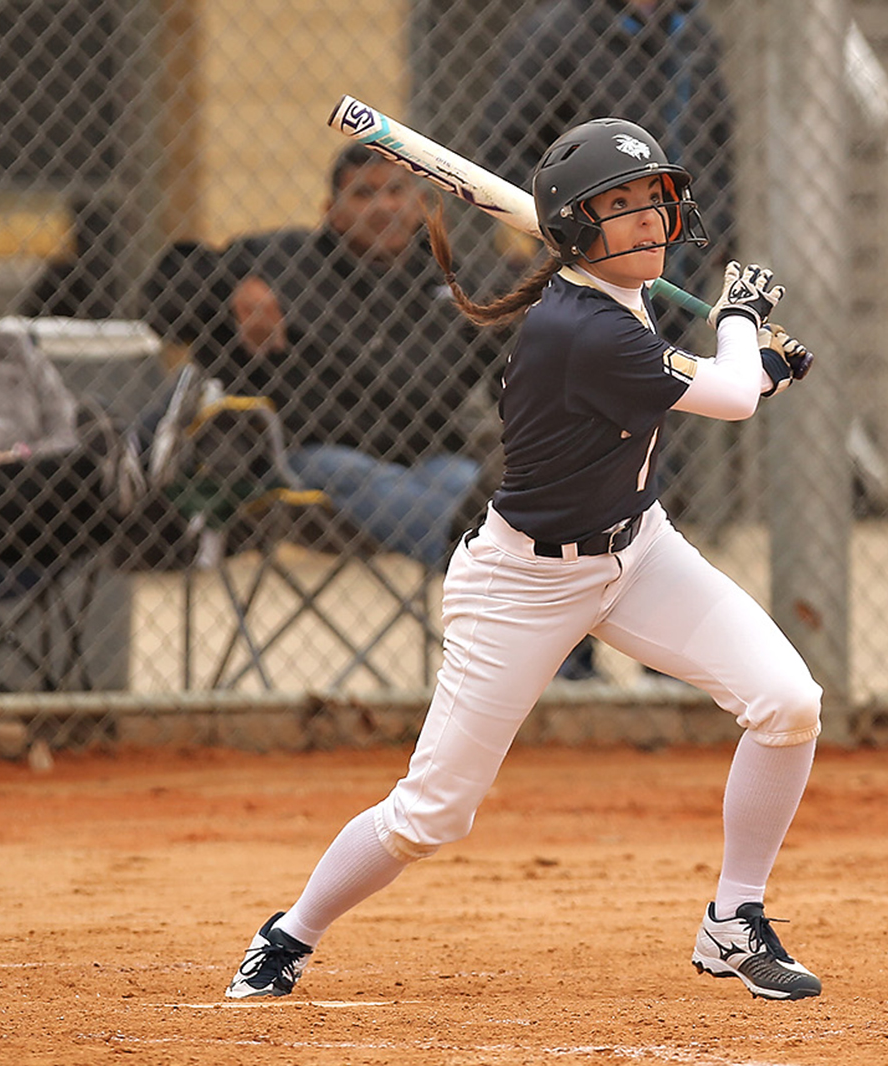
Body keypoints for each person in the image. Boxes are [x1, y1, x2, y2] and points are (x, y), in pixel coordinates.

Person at [223, 118, 825, 1003]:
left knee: (787, 702)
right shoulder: (583, 327)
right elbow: (725, 394)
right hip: (523, 584)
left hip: (639, 550)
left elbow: (705, 381)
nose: (650, 223)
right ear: (576, 231)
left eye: (653, 202)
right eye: (619, 210)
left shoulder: (617, 309)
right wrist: (741, 325)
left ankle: (733, 920)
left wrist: (754, 361)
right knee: (432, 815)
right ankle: (289, 934)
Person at [478, 0, 739, 682]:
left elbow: (715, 149)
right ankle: (566, 654)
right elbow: (500, 144)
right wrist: (547, 240)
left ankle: (660, 647)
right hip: (581, 287)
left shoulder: (691, 32)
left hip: (663, 281)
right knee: (576, 461)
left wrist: (719, 248)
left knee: (652, 466)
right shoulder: (558, 30)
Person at [146, 146, 505, 565]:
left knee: (473, 484)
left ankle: (510, 567)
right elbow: (161, 296)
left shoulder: (456, 285)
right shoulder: (282, 260)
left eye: (395, 191)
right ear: (330, 211)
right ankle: (484, 564)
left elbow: (513, 366)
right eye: (363, 194)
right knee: (368, 478)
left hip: (427, 457)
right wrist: (231, 288)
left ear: (420, 206)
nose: (383, 206)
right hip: (307, 465)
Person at [0, 236, 110, 589]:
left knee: (97, 432)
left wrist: (24, 458)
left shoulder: (15, 347)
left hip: (38, 493)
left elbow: (64, 423)